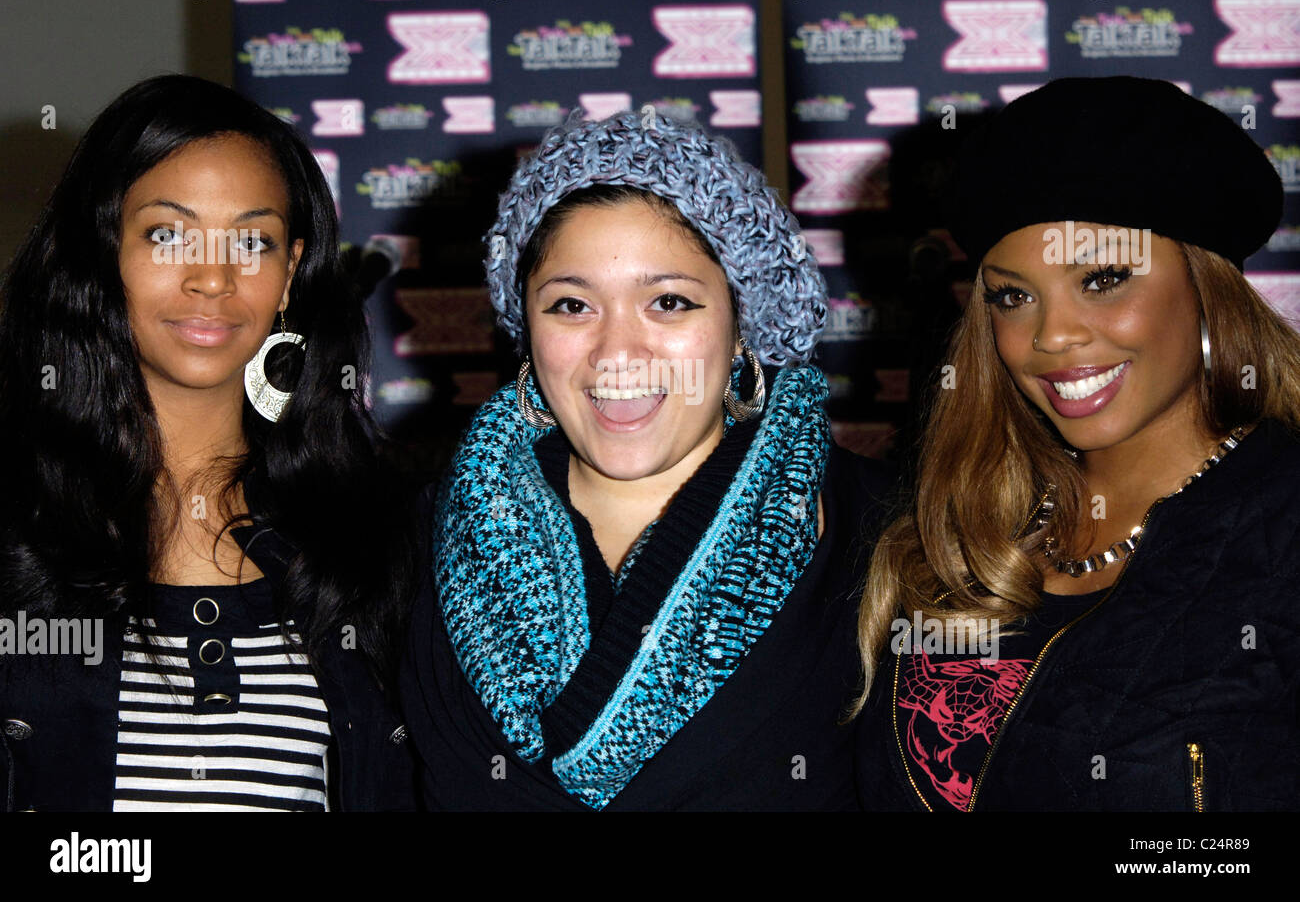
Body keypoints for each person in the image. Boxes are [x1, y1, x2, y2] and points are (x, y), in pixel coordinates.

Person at [400, 109, 896, 810]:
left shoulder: (884, 541)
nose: (617, 355)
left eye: (668, 301)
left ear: (741, 326)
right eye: (572, 305)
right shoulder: (422, 542)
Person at [853, 76, 1300, 811]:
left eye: (1103, 278)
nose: (1052, 334)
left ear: (1207, 287)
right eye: (1012, 295)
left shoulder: (1282, 530)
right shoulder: (949, 530)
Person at [0, 75, 416, 811]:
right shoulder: (19, 527)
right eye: (168, 234)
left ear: (289, 273)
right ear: (105, 252)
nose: (213, 278)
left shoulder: (373, 547)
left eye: (252, 240)